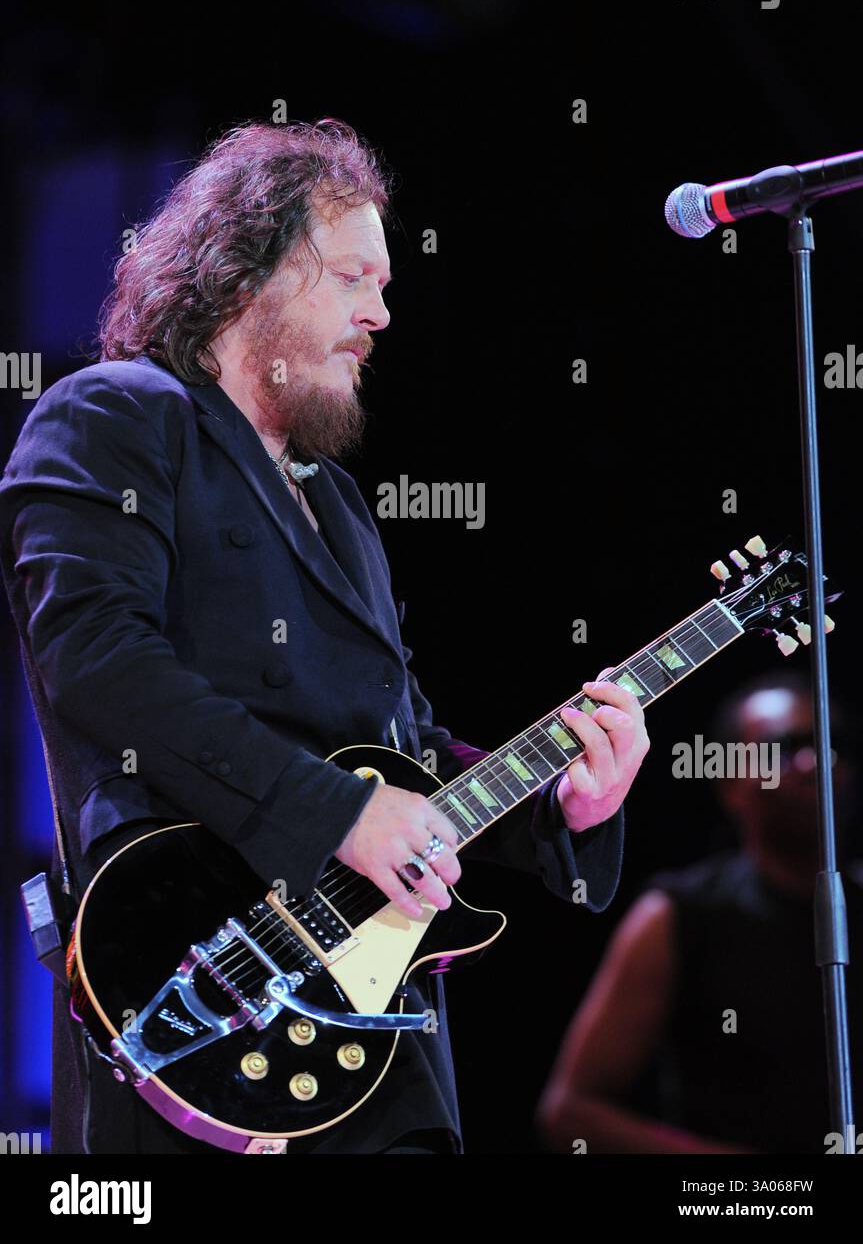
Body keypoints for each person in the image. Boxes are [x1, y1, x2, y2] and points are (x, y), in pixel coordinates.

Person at [0, 118, 649, 1155]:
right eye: (353, 277)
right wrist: (339, 812)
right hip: (201, 987)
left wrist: (561, 802)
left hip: (368, 1021)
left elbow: (402, 744)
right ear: (242, 274)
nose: (380, 313)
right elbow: (101, 663)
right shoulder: (115, 417)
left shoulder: (335, 499)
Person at [535, 669, 862, 1154]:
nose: (814, 762)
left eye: (829, 744)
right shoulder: (677, 914)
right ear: (731, 785)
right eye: (784, 747)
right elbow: (570, 1113)